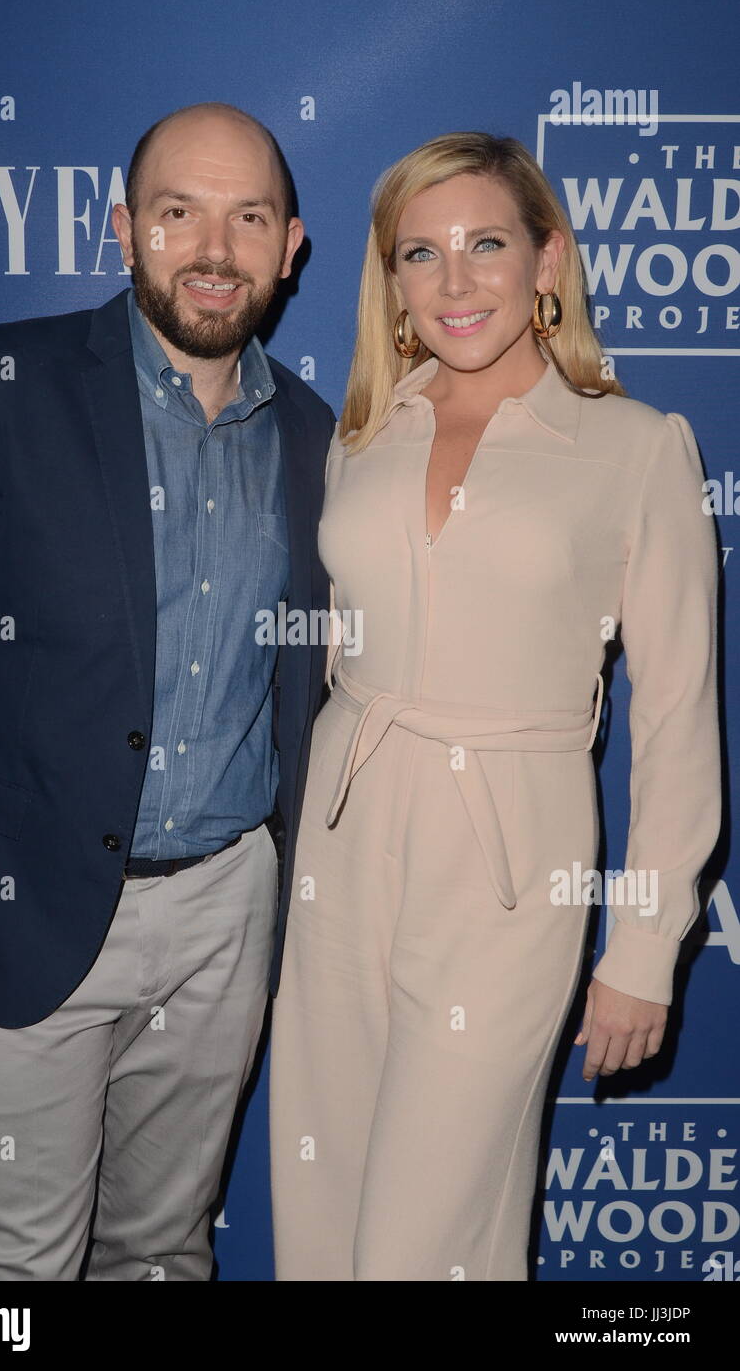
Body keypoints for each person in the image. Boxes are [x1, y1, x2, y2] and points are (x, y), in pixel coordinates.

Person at [0, 101, 335, 1280]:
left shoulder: (320, 440)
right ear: (125, 228)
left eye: (250, 217)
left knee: (163, 1257)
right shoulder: (1, 380)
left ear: (291, 246)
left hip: (228, 919)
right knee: (8, 1272)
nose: (214, 249)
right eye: (180, 213)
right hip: (23, 912)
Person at [268, 131, 721, 1281]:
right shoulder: (364, 435)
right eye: (421, 253)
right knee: (325, 1218)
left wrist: (647, 945)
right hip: (344, 820)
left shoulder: (635, 446)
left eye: (486, 245)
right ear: (393, 282)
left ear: (548, 260)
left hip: (513, 847)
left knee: (428, 1244)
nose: (456, 281)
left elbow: (676, 721)